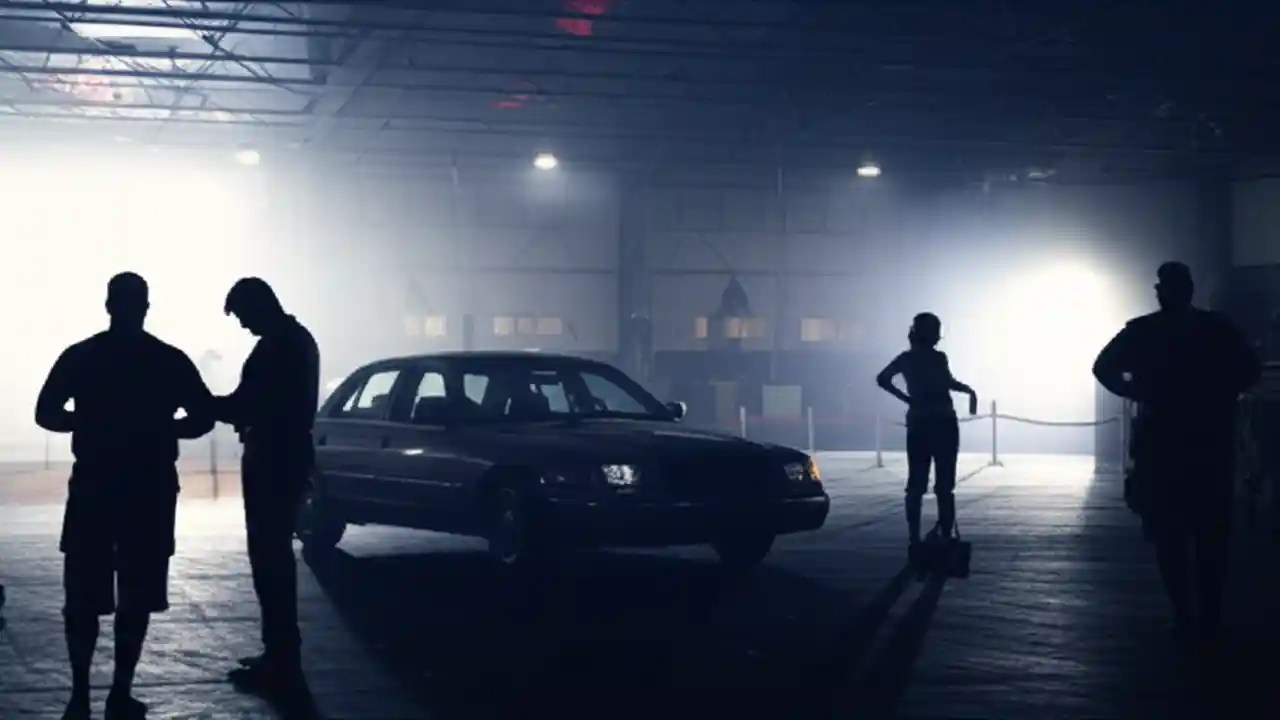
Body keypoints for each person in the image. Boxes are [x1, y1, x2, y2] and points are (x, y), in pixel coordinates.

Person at [35, 272, 215, 720]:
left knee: (82, 597)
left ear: (108, 305)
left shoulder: (82, 357)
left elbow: (46, 413)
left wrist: (90, 423)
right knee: (137, 594)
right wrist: (160, 429)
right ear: (146, 307)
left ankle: (80, 695)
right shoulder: (167, 360)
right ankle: (120, 691)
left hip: (94, 484)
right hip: (149, 488)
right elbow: (203, 417)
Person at [1093, 261, 1259, 654]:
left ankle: (1183, 614)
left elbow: (1103, 368)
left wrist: (1136, 392)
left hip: (1160, 443)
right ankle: (1210, 617)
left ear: (1161, 291)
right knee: (1211, 535)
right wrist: (1220, 394)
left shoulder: (1143, 331)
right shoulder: (1218, 329)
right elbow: (1249, 371)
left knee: (1169, 534)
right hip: (1209, 442)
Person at [215, 278, 320, 704]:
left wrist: (204, 404)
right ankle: (279, 654)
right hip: (285, 453)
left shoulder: (279, 346)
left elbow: (249, 403)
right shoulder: (293, 340)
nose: (242, 325)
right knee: (272, 556)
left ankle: (281, 657)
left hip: (272, 456)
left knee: (269, 557)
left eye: (242, 316)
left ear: (257, 306)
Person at [876, 312, 979, 564]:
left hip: (920, 422)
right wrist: (968, 391)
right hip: (944, 422)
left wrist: (908, 399)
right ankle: (945, 536)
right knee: (945, 485)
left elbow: (883, 379)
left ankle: (914, 540)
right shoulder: (937, 357)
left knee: (917, 483)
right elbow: (947, 383)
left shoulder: (907, 359)